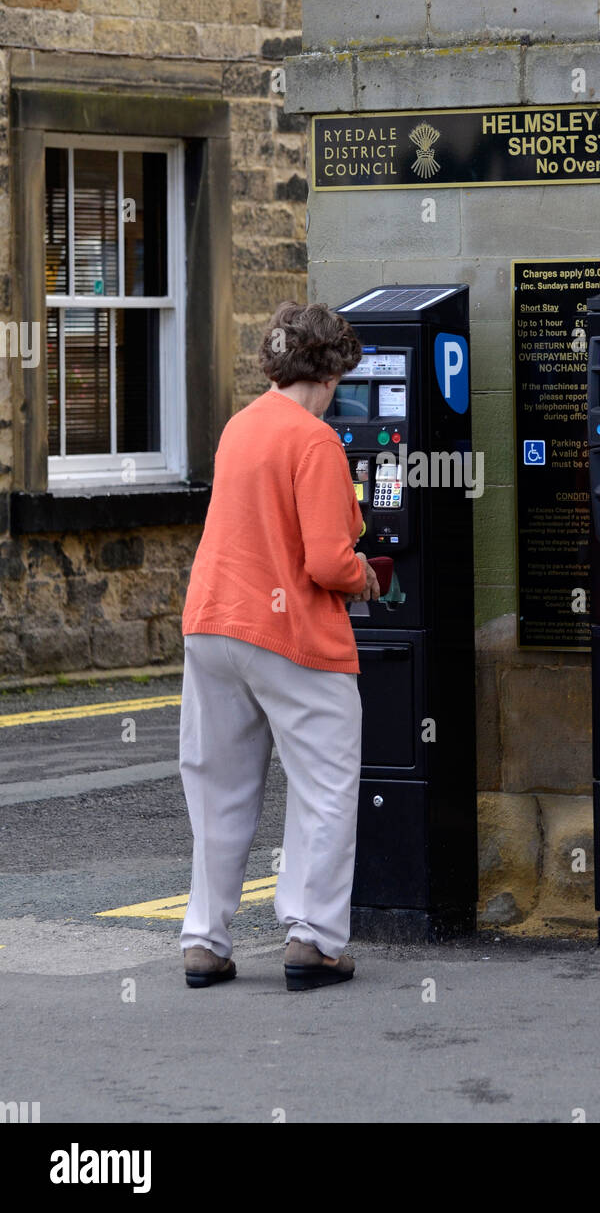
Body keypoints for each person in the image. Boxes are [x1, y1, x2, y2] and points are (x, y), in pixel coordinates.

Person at [178, 299, 380, 992]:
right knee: (323, 788)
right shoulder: (314, 440)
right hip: (290, 633)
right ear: (327, 373)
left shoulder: (241, 426)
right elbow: (327, 560)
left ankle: (204, 941)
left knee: (218, 788)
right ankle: (312, 940)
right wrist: (366, 581)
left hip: (212, 623)